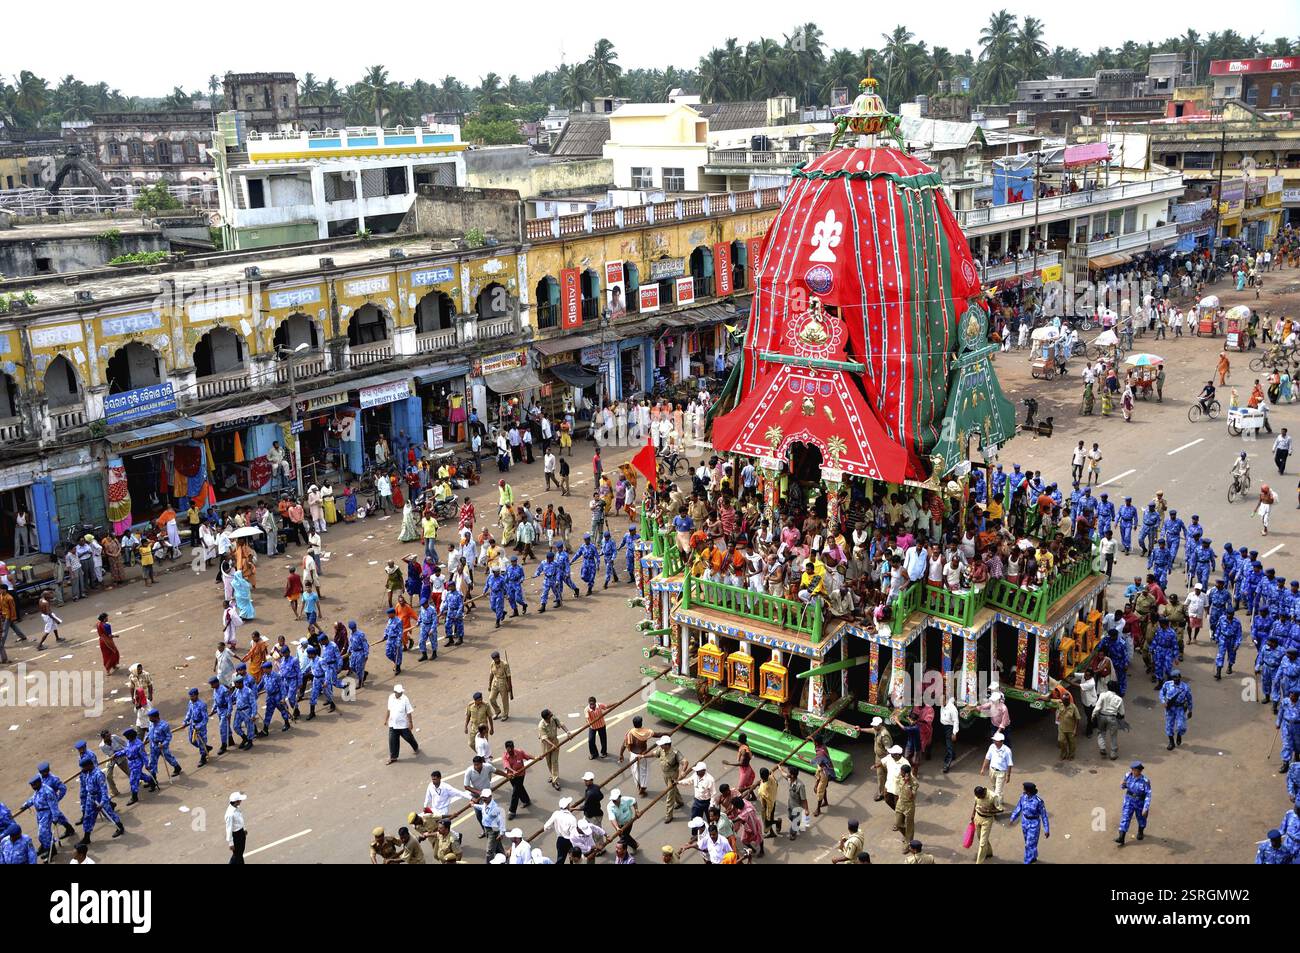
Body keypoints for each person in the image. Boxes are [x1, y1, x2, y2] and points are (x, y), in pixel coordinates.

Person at [1008, 781, 1049, 864]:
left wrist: (1046, 829)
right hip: (1024, 822)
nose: (1023, 791)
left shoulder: (1039, 801)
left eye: (1025, 789)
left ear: (1029, 791)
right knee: (1028, 841)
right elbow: (1018, 807)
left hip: (1034, 824)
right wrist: (1012, 818)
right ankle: (1033, 856)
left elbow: (1044, 816)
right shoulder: (1023, 797)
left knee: (1028, 844)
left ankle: (1027, 862)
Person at [1115, 761, 1152, 847]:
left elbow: (1148, 795)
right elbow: (1123, 786)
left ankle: (1140, 831)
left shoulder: (1145, 781)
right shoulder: (1128, 776)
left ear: (1140, 771)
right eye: (1132, 769)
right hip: (1129, 800)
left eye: (1134, 770)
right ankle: (1121, 837)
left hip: (1140, 802)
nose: (1133, 771)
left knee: (1141, 818)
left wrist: (1145, 808)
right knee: (1125, 817)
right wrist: (1122, 784)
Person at [1159, 669, 1193, 751]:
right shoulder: (1167, 684)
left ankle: (1179, 734)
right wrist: (1163, 701)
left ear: (1180, 678)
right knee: (1169, 726)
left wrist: (1190, 710)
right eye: (1173, 678)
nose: (1175, 679)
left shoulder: (1185, 687)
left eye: (1177, 678)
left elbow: (1189, 699)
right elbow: (1161, 693)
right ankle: (1171, 742)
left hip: (1180, 708)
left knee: (1181, 726)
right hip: (1170, 709)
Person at [384, 684, 418, 764]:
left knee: (408, 737)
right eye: (399, 692)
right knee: (392, 741)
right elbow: (389, 709)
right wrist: (386, 719)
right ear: (394, 692)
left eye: (401, 692)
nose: (401, 693)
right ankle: (393, 757)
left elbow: (409, 711)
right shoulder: (390, 697)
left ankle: (415, 747)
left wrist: (410, 722)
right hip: (393, 724)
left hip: (403, 725)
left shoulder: (405, 699)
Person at [980, 731, 1012, 810]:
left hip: (1001, 773)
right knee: (995, 787)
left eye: (996, 741)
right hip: (992, 771)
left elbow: (1009, 764)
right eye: (994, 740)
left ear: (1001, 742)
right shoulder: (992, 747)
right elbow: (987, 758)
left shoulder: (1007, 751)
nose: (994, 742)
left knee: (997, 792)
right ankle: (1000, 798)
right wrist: (983, 768)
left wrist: (1008, 776)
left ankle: (996, 807)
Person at [225, 792, 247, 864]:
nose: (241, 801)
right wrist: (231, 843)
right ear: (237, 801)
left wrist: (243, 829)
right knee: (237, 855)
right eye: (240, 800)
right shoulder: (230, 814)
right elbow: (229, 828)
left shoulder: (236, 808)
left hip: (241, 833)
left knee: (240, 854)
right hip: (236, 836)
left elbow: (240, 820)